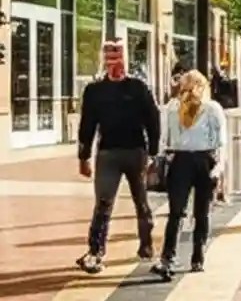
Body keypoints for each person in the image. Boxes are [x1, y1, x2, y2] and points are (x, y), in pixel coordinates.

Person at [75, 40, 162, 275]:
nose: (115, 63)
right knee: (103, 203)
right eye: (110, 58)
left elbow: (153, 120)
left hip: (136, 152)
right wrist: (83, 157)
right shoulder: (94, 91)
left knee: (141, 202)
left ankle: (146, 245)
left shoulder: (138, 88)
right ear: (104, 60)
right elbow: (87, 126)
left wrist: (153, 152)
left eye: (119, 57)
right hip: (108, 153)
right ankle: (95, 251)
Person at [151, 70, 226, 280]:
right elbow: (221, 141)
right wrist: (218, 167)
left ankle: (178, 257)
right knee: (192, 212)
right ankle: (187, 257)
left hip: (191, 160)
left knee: (182, 212)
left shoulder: (208, 109)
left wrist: (218, 166)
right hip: (194, 159)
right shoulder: (175, 108)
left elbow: (220, 140)